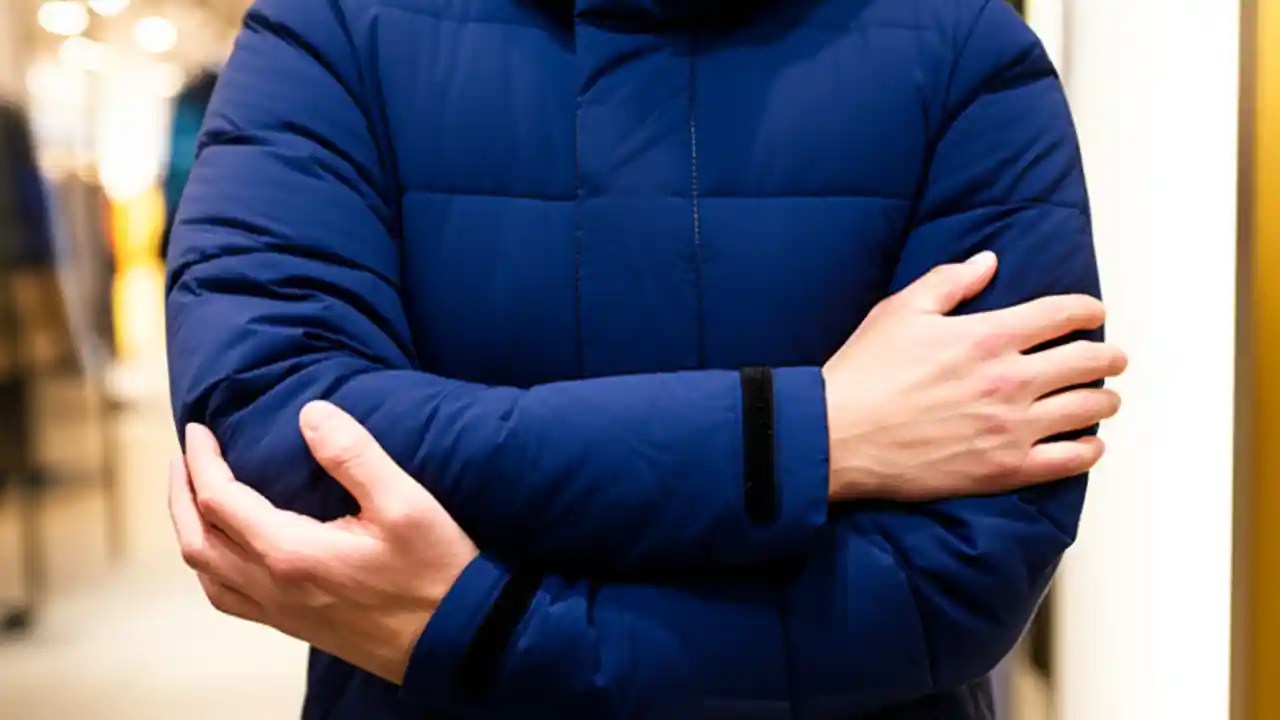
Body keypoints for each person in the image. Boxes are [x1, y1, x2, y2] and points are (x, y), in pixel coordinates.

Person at [164, 0, 1127, 718]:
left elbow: (965, 570)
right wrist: (814, 434)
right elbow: (282, 444)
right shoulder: (332, 27)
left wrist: (487, 627)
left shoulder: (963, 50)